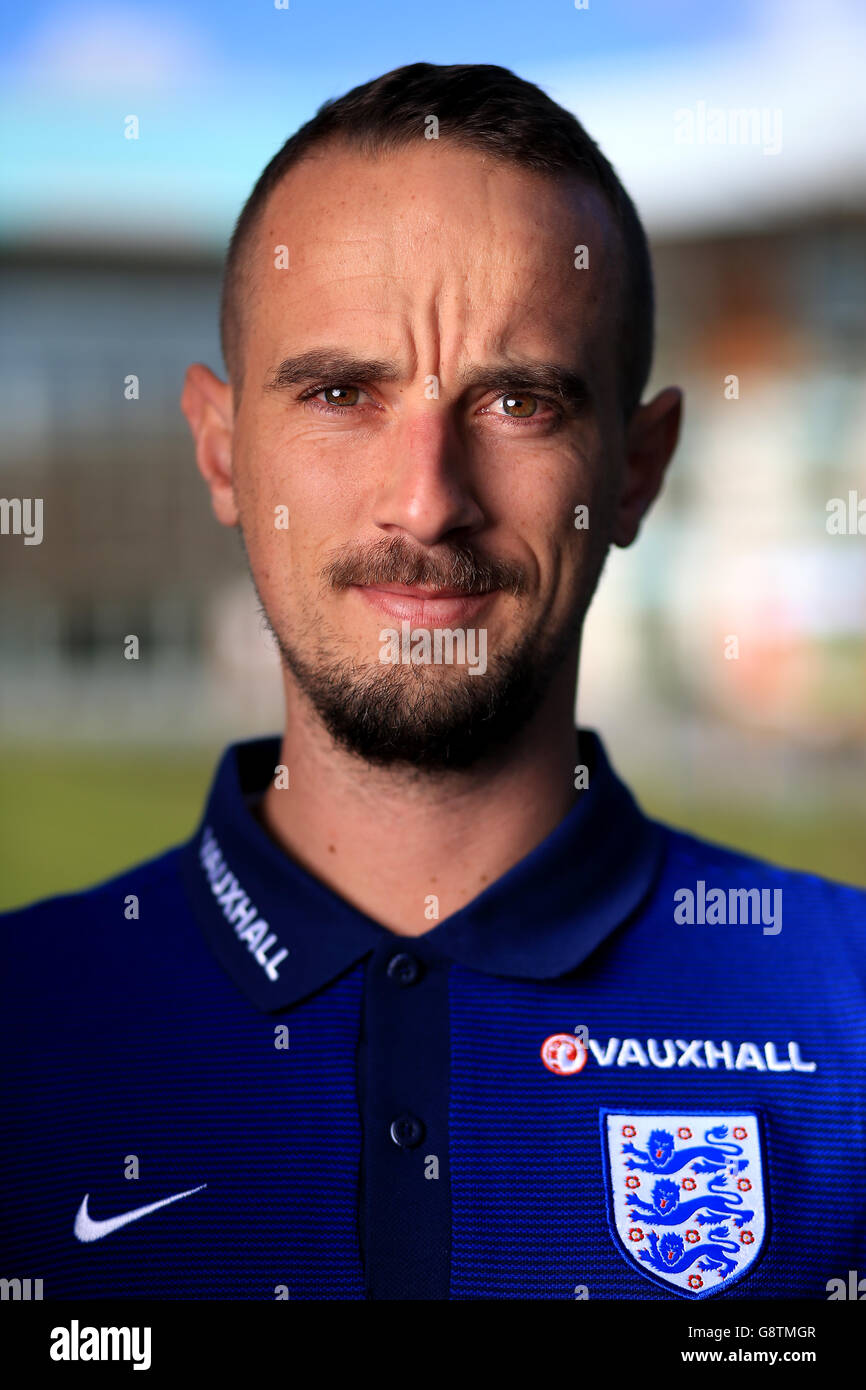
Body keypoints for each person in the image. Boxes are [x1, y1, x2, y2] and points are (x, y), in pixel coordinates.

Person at [2, 64, 864, 1303]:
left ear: (636, 469)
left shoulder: (846, 1013)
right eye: (341, 393)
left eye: (516, 400)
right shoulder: (19, 1026)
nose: (426, 499)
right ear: (222, 451)